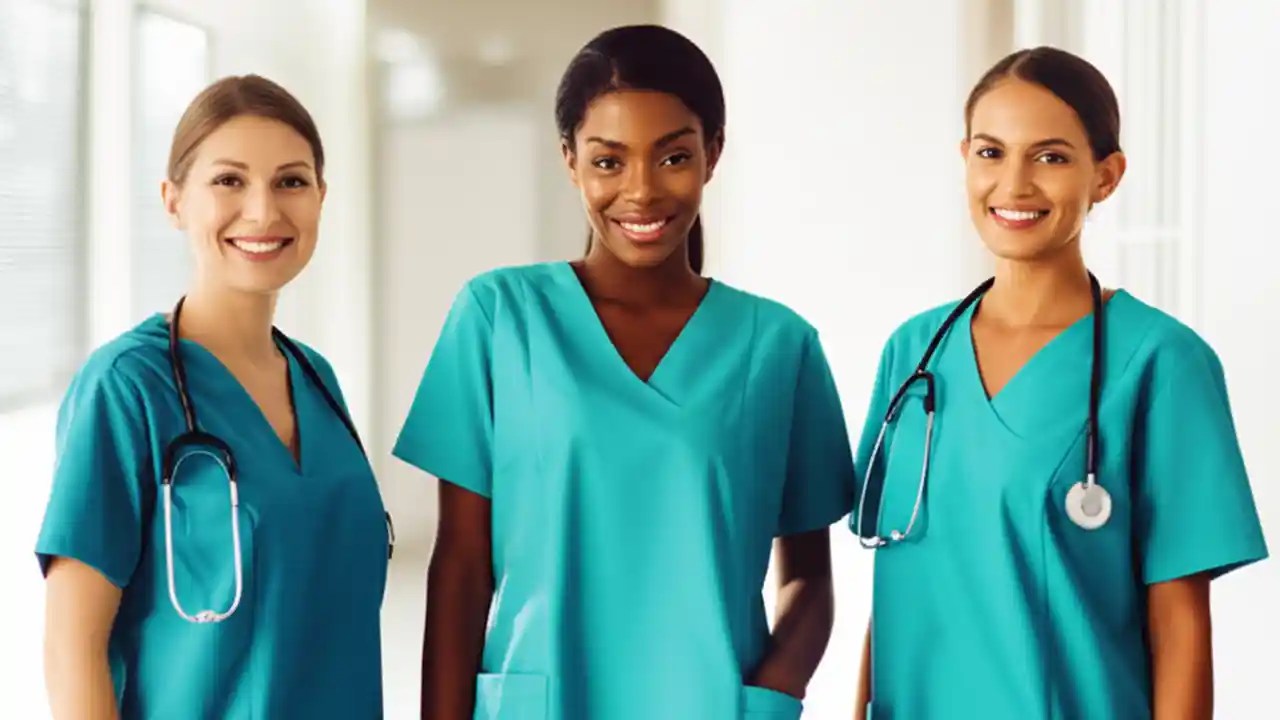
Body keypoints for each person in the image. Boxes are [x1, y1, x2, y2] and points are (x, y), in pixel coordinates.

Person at [394, 24, 855, 720]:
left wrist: (769, 693)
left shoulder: (779, 347)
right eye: (610, 161)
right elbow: (460, 565)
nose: (641, 192)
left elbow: (809, 580)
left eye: (672, 157)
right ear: (570, 160)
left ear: (712, 155)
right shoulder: (497, 317)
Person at [850, 47, 1268, 719]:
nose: (1013, 184)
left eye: (1050, 157)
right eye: (991, 153)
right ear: (965, 159)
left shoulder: (1162, 362)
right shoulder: (914, 353)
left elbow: (1181, 623)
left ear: (1106, 176)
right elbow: (901, 582)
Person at [37, 75, 391, 719]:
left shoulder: (316, 379)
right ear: (173, 201)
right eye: (229, 180)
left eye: (291, 181)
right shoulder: (128, 385)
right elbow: (71, 647)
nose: (263, 212)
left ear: (321, 198)